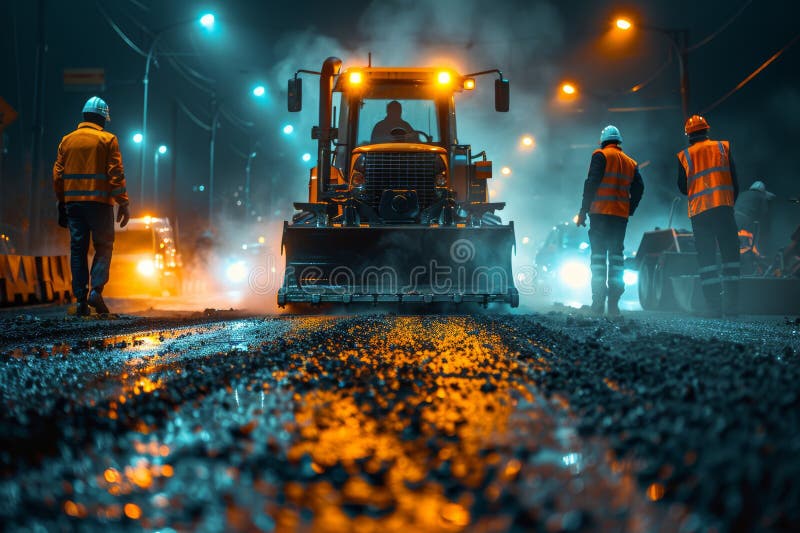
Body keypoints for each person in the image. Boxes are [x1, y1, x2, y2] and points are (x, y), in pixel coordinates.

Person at [53, 96, 130, 316]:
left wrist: (61, 202)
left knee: (78, 250)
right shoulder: (108, 140)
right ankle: (96, 291)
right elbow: (115, 174)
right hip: (100, 205)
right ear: (101, 119)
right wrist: (123, 203)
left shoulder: (66, 141)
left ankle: (80, 300)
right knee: (103, 247)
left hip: (73, 205)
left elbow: (58, 176)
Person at [576, 125, 644, 316]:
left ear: (603, 141)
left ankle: (598, 304)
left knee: (598, 258)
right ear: (618, 141)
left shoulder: (600, 155)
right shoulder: (631, 162)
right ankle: (614, 304)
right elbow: (639, 188)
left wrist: (583, 210)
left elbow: (591, 183)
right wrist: (630, 208)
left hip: (600, 215)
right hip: (619, 218)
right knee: (616, 259)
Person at [676, 114, 740, 317]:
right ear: (707, 130)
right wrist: (728, 203)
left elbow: (682, 187)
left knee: (707, 259)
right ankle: (731, 306)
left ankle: (713, 307)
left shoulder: (684, 155)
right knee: (731, 257)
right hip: (723, 208)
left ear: (688, 135)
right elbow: (734, 180)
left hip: (700, 213)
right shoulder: (722, 147)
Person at [735, 180, 775, 252]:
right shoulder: (761, 196)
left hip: (733, 216)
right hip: (745, 219)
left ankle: (737, 252)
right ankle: (752, 253)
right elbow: (763, 212)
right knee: (752, 236)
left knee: (736, 237)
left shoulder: (742, 193)